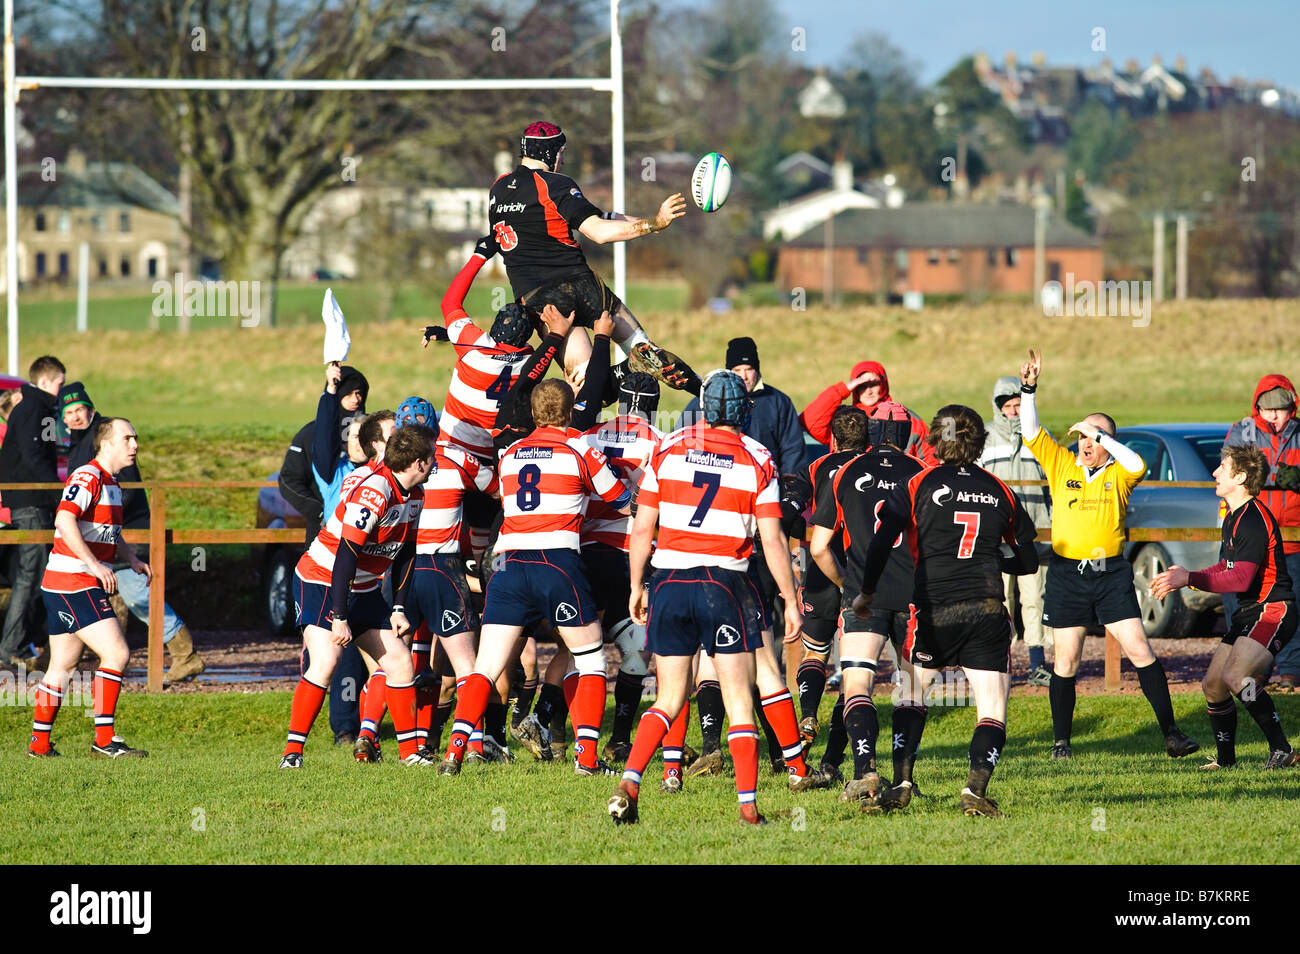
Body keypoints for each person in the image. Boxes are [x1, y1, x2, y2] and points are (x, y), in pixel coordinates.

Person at [607, 371, 805, 826]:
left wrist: (637, 584)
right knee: (739, 698)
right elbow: (772, 541)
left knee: (669, 698)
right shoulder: (758, 457)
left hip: (670, 581)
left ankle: (630, 781)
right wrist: (791, 601)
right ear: (743, 411)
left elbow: (642, 526)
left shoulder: (670, 446)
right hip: (723, 585)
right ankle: (749, 807)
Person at [437, 379, 631, 777]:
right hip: (557, 560)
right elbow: (621, 500)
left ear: (532, 413)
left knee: (485, 668)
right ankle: (588, 761)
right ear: (570, 409)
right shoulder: (579, 447)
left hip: (508, 563)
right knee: (591, 659)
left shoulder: (511, 454)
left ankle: (454, 753)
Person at [853, 405, 1039, 817]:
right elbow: (1029, 561)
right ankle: (974, 790)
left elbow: (883, 539)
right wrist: (994, 562)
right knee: (991, 707)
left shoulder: (918, 482)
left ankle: (901, 783)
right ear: (980, 443)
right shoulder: (1000, 490)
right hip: (988, 609)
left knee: (912, 697)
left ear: (935, 440)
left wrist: (867, 590)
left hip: (934, 609)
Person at [1018, 349, 1199, 760]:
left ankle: (1172, 734)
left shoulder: (1120, 472)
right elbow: (1031, 432)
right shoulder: (1062, 465)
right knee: (1066, 660)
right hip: (1068, 573)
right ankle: (1061, 742)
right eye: (1081, 435)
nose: (1085, 441)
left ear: (1108, 442)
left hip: (1111, 574)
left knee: (1140, 651)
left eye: (1094, 436)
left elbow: (1134, 462)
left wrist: (1101, 434)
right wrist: (1029, 388)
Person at [490, 120, 694, 389]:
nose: (562, 161)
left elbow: (597, 216)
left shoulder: (498, 189)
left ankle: (624, 372)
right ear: (551, 153)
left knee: (586, 386)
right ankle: (699, 389)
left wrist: (646, 222)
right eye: (561, 153)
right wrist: (653, 224)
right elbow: (598, 231)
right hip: (583, 285)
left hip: (542, 300)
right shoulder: (556, 184)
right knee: (644, 347)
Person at [280, 425, 435, 768]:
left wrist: (397, 607)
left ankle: (410, 755)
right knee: (326, 662)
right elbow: (347, 554)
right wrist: (339, 616)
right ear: (419, 464)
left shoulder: (416, 495)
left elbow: (407, 552)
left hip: (362, 587)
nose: (434, 461)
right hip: (322, 580)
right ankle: (292, 754)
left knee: (399, 661)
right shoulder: (375, 491)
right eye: (431, 456)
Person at [1151, 444, 1300, 770]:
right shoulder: (1232, 515)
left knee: (1236, 677)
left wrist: (1188, 577)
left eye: (1222, 467)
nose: (1215, 472)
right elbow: (1224, 568)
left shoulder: (1252, 519)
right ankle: (1226, 762)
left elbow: (1241, 580)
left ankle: (1281, 749)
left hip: (1273, 610)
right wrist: (1185, 577)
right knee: (1213, 685)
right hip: (1250, 613)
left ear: (1242, 477)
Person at [809, 402, 926, 800]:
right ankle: (906, 780)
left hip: (864, 595)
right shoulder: (922, 474)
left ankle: (866, 773)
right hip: (913, 597)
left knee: (858, 684)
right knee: (910, 688)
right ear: (909, 432)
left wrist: (847, 584)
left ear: (872, 432)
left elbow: (820, 546)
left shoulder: (845, 472)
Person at [61, 381, 206, 684]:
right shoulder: (78, 441)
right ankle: (111, 662)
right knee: (114, 595)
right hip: (106, 534)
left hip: (127, 529)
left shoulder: (109, 438)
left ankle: (185, 654)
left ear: (91, 408)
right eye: (69, 412)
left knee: (138, 595)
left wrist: (92, 514)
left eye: (80, 409)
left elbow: (121, 491)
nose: (75, 416)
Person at [29, 417, 151, 758]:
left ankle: (39, 745)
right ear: (106, 443)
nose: (134, 445)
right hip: (74, 580)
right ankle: (104, 740)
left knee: (62, 666)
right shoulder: (88, 475)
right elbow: (64, 519)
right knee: (117, 653)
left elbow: (106, 532)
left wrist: (130, 558)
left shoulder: (112, 483)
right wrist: (95, 566)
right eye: (127, 438)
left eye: (135, 437)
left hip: (64, 581)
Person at [396, 396, 502, 762]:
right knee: (465, 665)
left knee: (396, 661)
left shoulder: (385, 466)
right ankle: (471, 747)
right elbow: (497, 488)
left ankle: (388, 741)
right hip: (442, 568)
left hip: (399, 569)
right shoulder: (453, 456)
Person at [579, 372, 664, 764]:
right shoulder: (657, 441)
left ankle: (556, 726)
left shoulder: (591, 434)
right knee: (637, 648)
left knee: (580, 648)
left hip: (586, 550)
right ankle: (618, 736)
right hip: (631, 553)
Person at [796, 406, 869, 762]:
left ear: (833, 440)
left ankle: (808, 712)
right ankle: (833, 759)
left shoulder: (817, 466)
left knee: (814, 652)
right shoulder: (870, 468)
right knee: (855, 669)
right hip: (859, 571)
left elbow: (802, 509)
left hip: (820, 568)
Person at [1222, 374, 1300, 690]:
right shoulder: (1243, 431)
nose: (1273, 416)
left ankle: (1291, 670)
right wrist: (1266, 473)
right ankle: (1250, 670)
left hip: (1293, 537)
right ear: (1257, 408)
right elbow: (1229, 469)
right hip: (1251, 536)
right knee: (1245, 606)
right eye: (1267, 410)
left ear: (1291, 407)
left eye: (1280, 410)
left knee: (1291, 607)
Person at [978, 375, 1054, 687]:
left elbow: (1054, 481)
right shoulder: (984, 437)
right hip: (996, 537)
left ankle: (1038, 662)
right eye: (1007, 405)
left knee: (1035, 597)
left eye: (1017, 404)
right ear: (998, 406)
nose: (1012, 410)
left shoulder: (1039, 435)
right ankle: (1002, 662)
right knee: (1000, 600)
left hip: (1034, 533)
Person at [0, 355, 65, 669]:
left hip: (35, 499)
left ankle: (25, 643)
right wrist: (58, 488)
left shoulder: (42, 410)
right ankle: (12, 647)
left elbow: (47, 452)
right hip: (30, 500)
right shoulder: (35, 409)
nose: (61, 390)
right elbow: (32, 455)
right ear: (43, 382)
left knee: (36, 573)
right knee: (31, 575)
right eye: (59, 383)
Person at [680, 337, 804, 476]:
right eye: (737, 370)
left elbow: (793, 450)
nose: (744, 376)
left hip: (764, 480)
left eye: (749, 369)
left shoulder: (779, 402)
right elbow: (681, 440)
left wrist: (787, 485)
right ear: (729, 371)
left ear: (757, 369)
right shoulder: (704, 401)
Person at [800, 359, 932, 463]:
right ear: (854, 387)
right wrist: (843, 389)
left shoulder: (907, 418)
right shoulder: (843, 418)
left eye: (873, 384)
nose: (868, 391)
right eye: (862, 385)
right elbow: (809, 421)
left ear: (884, 384)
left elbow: (930, 462)